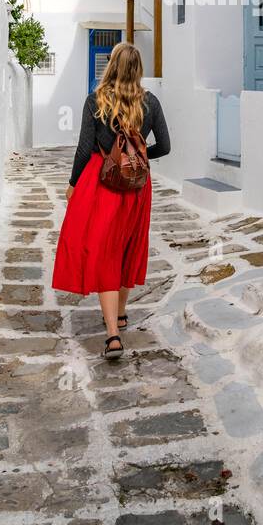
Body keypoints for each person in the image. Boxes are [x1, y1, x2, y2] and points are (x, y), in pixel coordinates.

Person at [52, 42, 170, 358]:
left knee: (105, 253)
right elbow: (166, 146)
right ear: (138, 69)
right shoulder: (152, 103)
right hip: (137, 189)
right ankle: (119, 313)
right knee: (128, 247)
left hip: (102, 184)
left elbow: (83, 148)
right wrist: (140, 157)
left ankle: (113, 336)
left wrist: (73, 184)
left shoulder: (96, 101)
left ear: (112, 65)